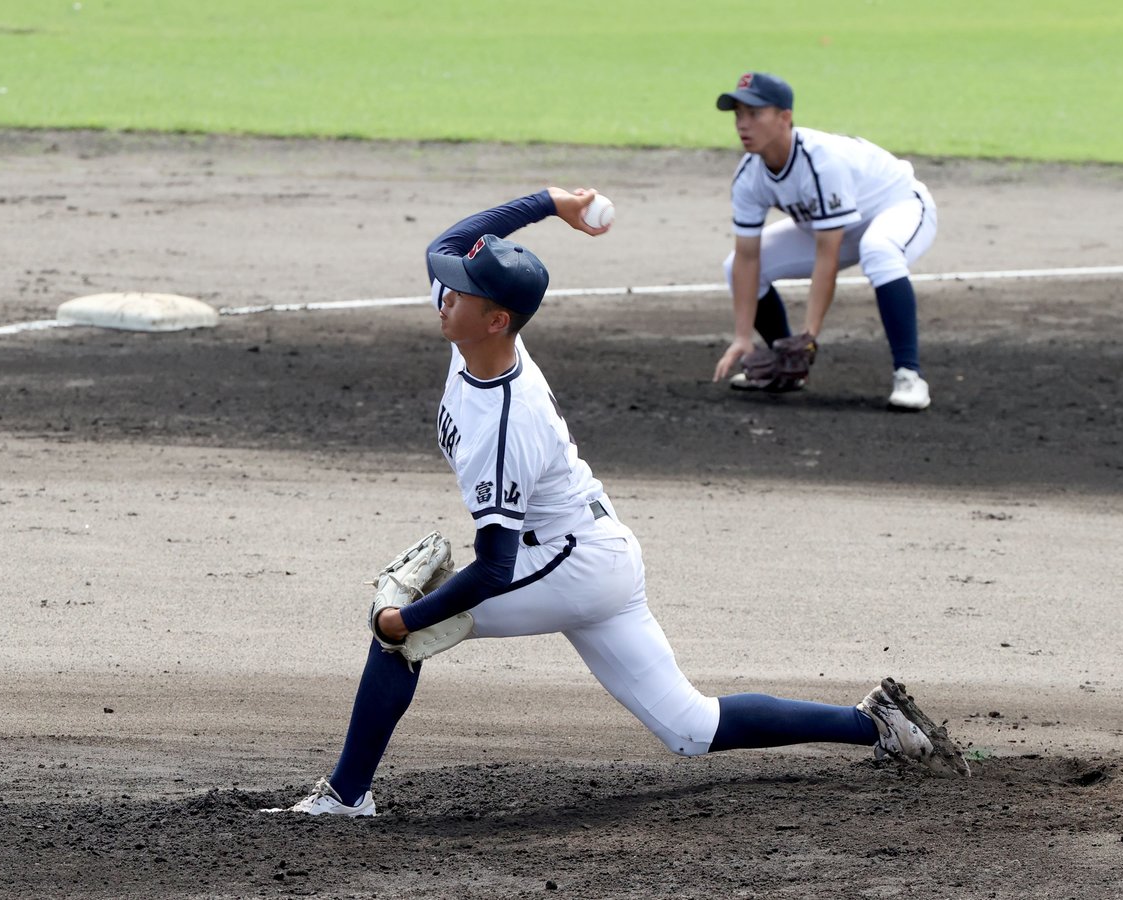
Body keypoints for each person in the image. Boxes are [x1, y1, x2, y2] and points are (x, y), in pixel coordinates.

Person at [265, 187, 967, 817]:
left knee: (406, 640)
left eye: (459, 292)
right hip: (592, 550)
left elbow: (494, 570)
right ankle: (875, 724)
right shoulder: (473, 333)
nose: (442, 293)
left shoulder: (507, 425)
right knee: (691, 728)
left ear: (497, 317)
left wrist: (401, 618)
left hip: (572, 562)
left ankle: (346, 797)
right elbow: (443, 246)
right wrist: (550, 201)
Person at [711, 72, 938, 410]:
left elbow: (826, 257)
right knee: (734, 267)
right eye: (738, 115)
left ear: (784, 118)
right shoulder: (749, 175)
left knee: (879, 250)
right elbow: (747, 257)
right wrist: (743, 336)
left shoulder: (821, 162)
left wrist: (810, 336)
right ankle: (786, 367)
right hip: (834, 226)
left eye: (754, 113)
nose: (743, 124)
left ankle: (909, 375)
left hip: (898, 206)